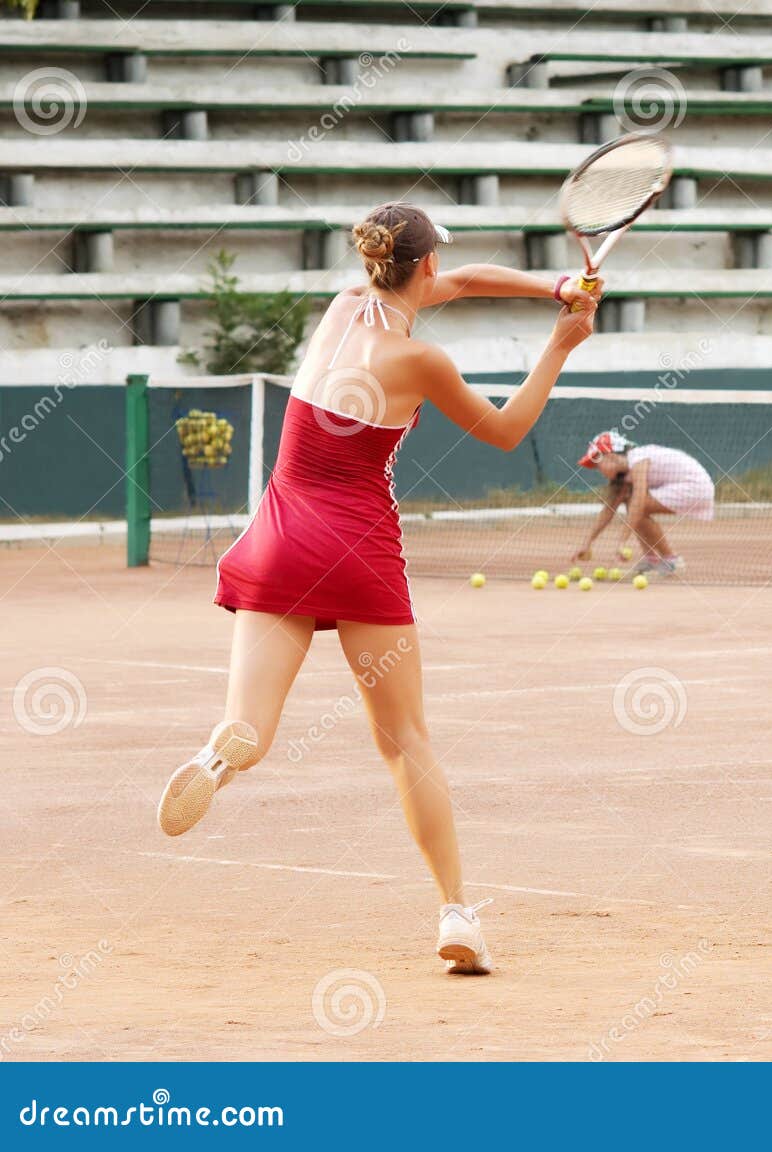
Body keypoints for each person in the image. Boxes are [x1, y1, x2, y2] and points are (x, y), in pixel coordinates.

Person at [156, 201, 600, 975]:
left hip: (276, 544)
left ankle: (222, 755)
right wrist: (560, 343)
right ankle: (457, 912)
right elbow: (504, 432)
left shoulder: (341, 308)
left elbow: (461, 281)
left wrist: (558, 284)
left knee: (251, 727)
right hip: (355, 551)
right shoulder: (420, 361)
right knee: (405, 743)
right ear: (423, 266)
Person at [570, 430, 715, 576]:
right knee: (633, 503)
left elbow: (639, 502)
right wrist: (587, 544)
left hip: (695, 486)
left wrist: (622, 542)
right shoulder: (624, 475)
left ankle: (671, 561)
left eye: (597, 464)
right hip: (690, 487)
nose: (597, 469)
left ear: (611, 456)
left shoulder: (637, 459)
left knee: (638, 504)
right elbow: (608, 510)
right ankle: (651, 560)